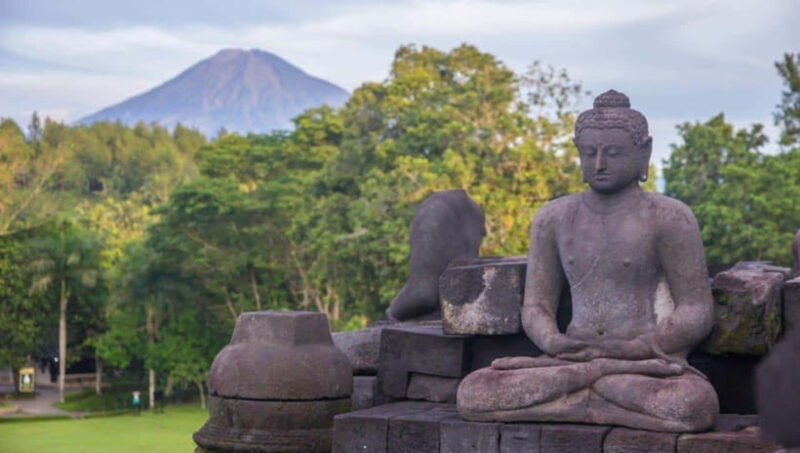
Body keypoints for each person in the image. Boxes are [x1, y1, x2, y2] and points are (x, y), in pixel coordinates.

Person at [457, 90, 719, 433]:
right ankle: (594, 391)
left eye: (612, 153)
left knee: (691, 404)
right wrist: (552, 341)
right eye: (589, 153)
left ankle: (578, 397)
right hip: (569, 361)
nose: (599, 164)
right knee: (475, 391)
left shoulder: (670, 217)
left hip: (643, 365)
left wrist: (641, 347)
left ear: (645, 152)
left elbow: (697, 310)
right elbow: (536, 305)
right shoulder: (553, 217)